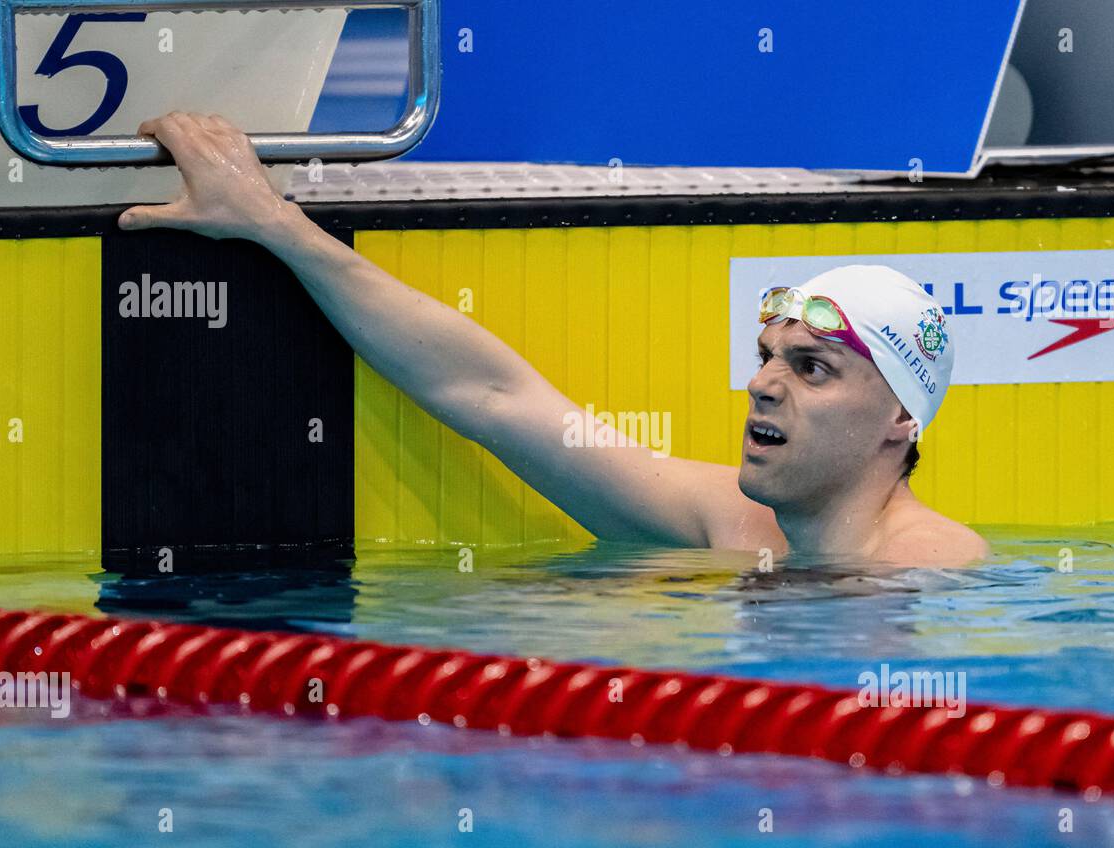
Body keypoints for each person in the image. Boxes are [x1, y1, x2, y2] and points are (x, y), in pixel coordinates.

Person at [118, 112, 990, 568]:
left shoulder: (930, 571)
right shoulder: (731, 522)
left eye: (812, 368)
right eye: (768, 356)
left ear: (901, 421)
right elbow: (497, 398)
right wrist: (274, 222)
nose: (764, 385)